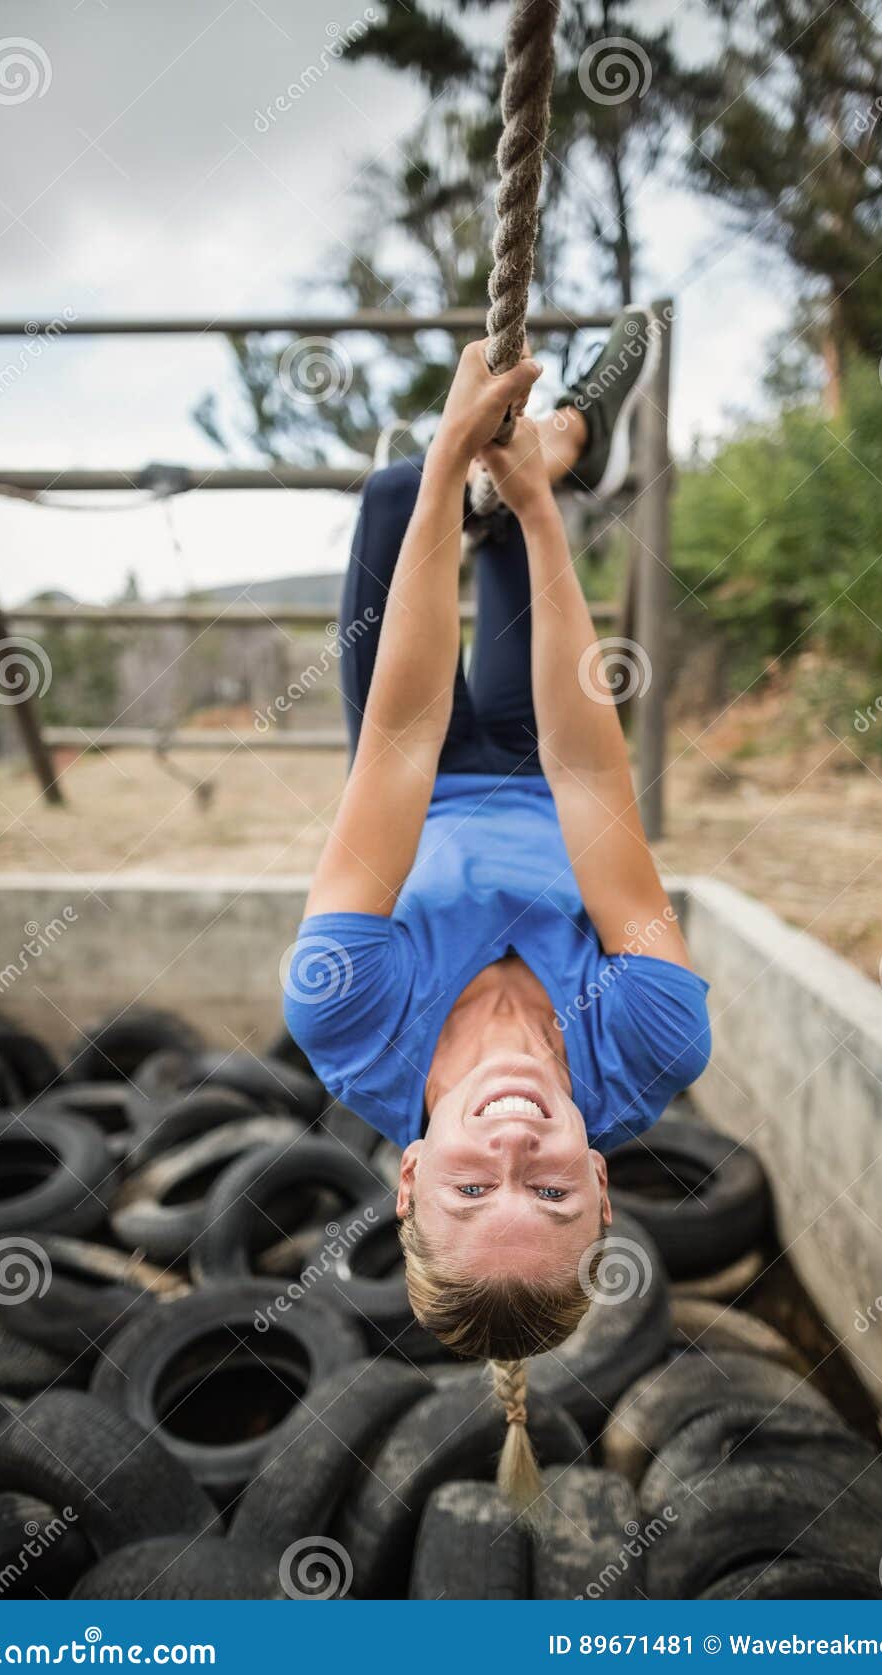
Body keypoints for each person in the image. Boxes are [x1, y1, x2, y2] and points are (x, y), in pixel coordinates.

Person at [285, 309, 711, 1512]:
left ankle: (515, 459)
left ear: (410, 1176)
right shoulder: (653, 1040)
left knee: (391, 497)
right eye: (554, 1192)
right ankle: (562, 444)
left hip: (411, 770)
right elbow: (591, 777)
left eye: (476, 1190)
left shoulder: (343, 1015)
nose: (517, 1152)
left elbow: (399, 741)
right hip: (545, 762)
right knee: (507, 507)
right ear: (603, 1182)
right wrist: (531, 508)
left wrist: (443, 478)